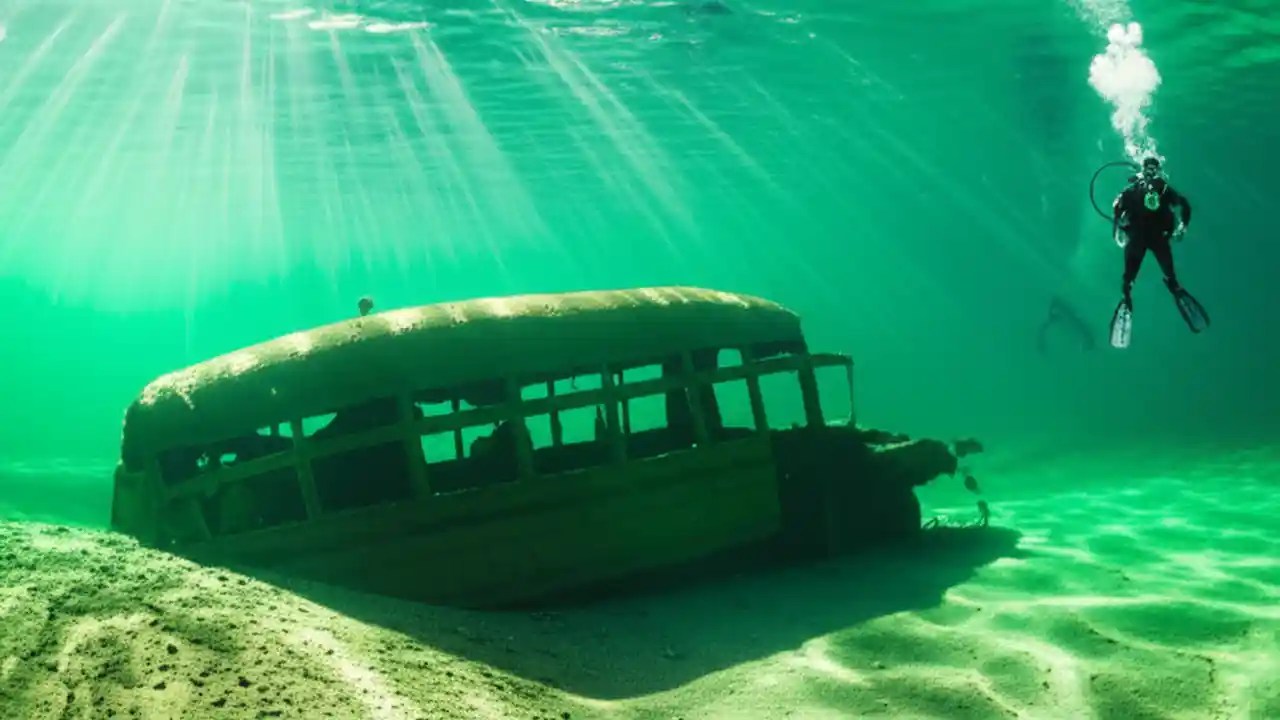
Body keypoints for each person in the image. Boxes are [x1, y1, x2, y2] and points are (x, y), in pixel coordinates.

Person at [1109, 156, 1209, 345]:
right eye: (1150, 168)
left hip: (1141, 239)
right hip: (1155, 239)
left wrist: (1117, 230)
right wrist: (1182, 227)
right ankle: (1171, 287)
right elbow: (1184, 204)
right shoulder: (1160, 189)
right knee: (1165, 277)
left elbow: (1116, 209)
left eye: (1152, 169)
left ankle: (1127, 296)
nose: (1150, 173)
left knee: (1129, 279)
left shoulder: (1137, 190)